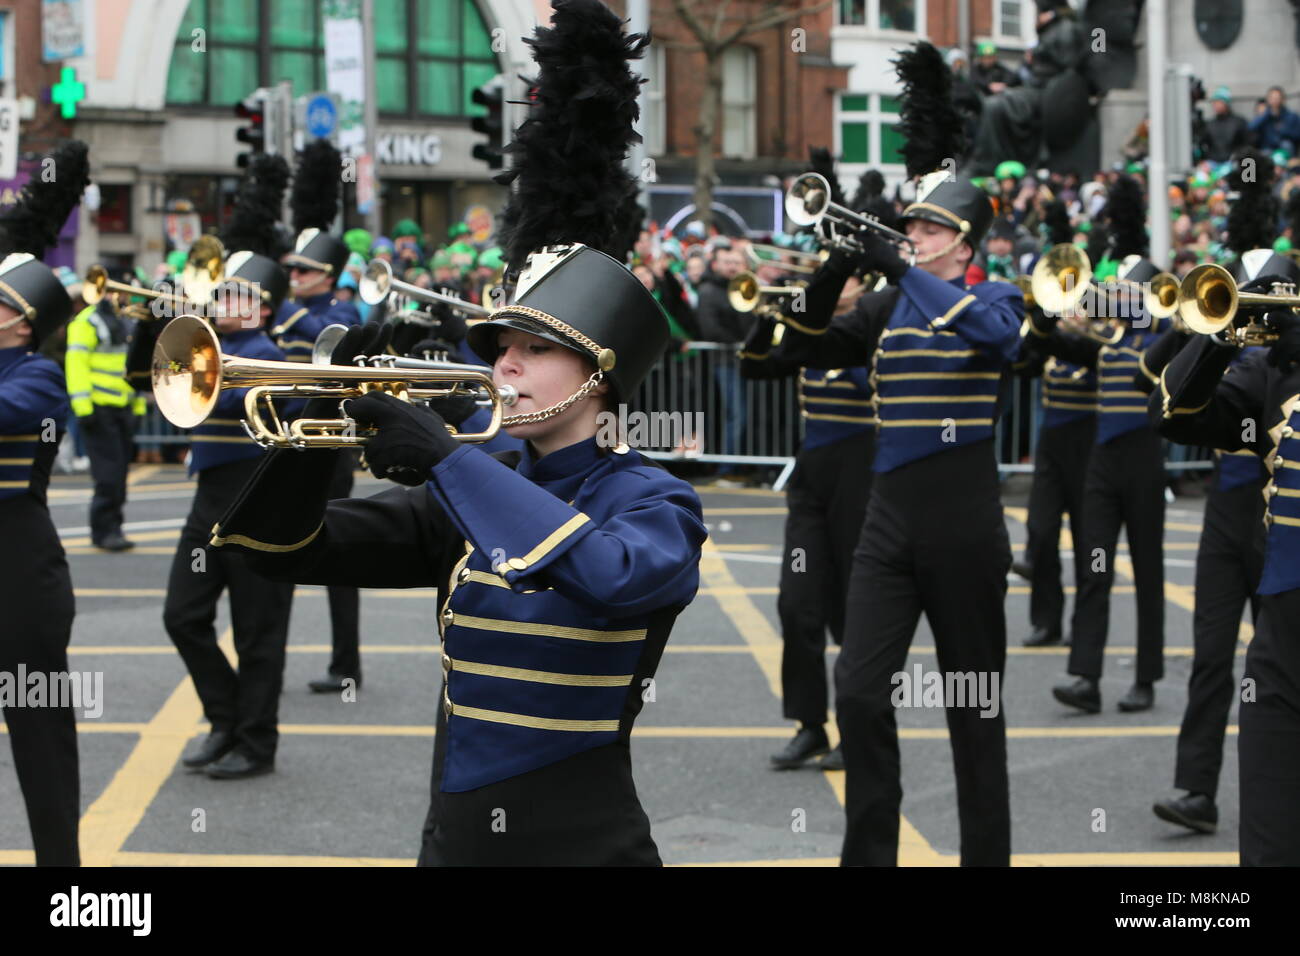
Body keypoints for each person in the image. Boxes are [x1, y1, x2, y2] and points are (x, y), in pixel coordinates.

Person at [778, 171, 1021, 865]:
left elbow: (998, 339)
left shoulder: (994, 296)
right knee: (856, 693)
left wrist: (896, 268)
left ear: (963, 245)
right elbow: (803, 344)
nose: (913, 236)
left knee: (973, 707)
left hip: (965, 526)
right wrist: (837, 267)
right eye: (909, 226)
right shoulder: (886, 309)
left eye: (929, 229)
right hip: (888, 522)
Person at [1152, 258, 1300, 865]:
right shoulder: (1278, 373)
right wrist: (1223, 332)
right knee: (1266, 848)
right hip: (1282, 649)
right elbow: (1177, 413)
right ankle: (1196, 787)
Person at [163, 252, 299, 780]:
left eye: (236, 293)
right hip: (208, 501)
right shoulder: (203, 348)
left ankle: (256, 742)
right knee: (183, 615)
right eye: (220, 291)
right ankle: (226, 717)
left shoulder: (266, 356)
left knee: (257, 633)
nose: (222, 301)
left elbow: (216, 401)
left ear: (261, 308)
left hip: (257, 503)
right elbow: (158, 391)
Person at [1028, 250, 1169, 713]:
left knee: (1147, 572)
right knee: (1095, 570)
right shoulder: (1106, 344)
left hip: (1143, 461)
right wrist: (1047, 305)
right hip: (1103, 465)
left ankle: (1145, 677)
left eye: (1126, 290)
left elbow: (1155, 319)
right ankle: (1085, 677)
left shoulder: (1162, 336)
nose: (1117, 298)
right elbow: (1048, 341)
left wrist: (1107, 298)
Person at [739, 305, 874, 771]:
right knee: (797, 604)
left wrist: (841, 338)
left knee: (853, 609)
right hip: (813, 476)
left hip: (863, 475)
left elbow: (873, 386)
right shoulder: (812, 332)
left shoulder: (876, 330)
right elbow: (755, 367)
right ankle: (809, 724)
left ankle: (860, 729)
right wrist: (765, 319)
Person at [0, 252, 81, 865]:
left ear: (23, 322)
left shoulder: (39, 373)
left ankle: (64, 879)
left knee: (40, 734)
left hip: (18, 570)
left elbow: (9, 412)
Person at [276, 224, 365, 695]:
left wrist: (284, 309)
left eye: (303, 269)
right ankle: (268, 659)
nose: (294, 275)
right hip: (287, 443)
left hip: (329, 449)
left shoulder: (339, 310)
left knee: (336, 555)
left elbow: (342, 345)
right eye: (291, 268)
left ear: (328, 275)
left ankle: (346, 664)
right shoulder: (288, 315)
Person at [1014, 293, 1097, 647]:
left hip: (1090, 446)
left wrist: (1081, 329)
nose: (1073, 314)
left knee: (1087, 542)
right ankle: (1046, 621)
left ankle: (1084, 625)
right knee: (1041, 532)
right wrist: (1042, 319)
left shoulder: (1099, 344)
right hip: (1051, 447)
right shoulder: (1053, 343)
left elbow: (1084, 351)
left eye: (1080, 308)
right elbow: (1021, 361)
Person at [65, 266, 146, 551]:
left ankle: (114, 527)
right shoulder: (85, 322)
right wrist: (83, 407)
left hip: (122, 408)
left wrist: (137, 408)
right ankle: (103, 531)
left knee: (120, 474)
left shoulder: (126, 322)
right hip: (98, 409)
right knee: (108, 476)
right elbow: (76, 366)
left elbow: (130, 370)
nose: (121, 297)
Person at [1202, 87, 1250, 164]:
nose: (1216, 105)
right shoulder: (1209, 124)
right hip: (1212, 162)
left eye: (1219, 102)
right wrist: (1203, 161)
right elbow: (1204, 145)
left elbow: (1246, 144)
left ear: (1226, 104)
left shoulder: (1239, 122)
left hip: (1233, 163)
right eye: (1215, 102)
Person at [1248, 85, 1300, 156]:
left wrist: (1283, 131)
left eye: (1277, 98)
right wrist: (1266, 115)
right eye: (1272, 98)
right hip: (1267, 148)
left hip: (1284, 148)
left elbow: (1297, 134)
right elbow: (1251, 127)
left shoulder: (1291, 116)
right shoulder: (1264, 116)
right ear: (1268, 100)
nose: (1275, 101)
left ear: (1283, 100)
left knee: (1286, 145)